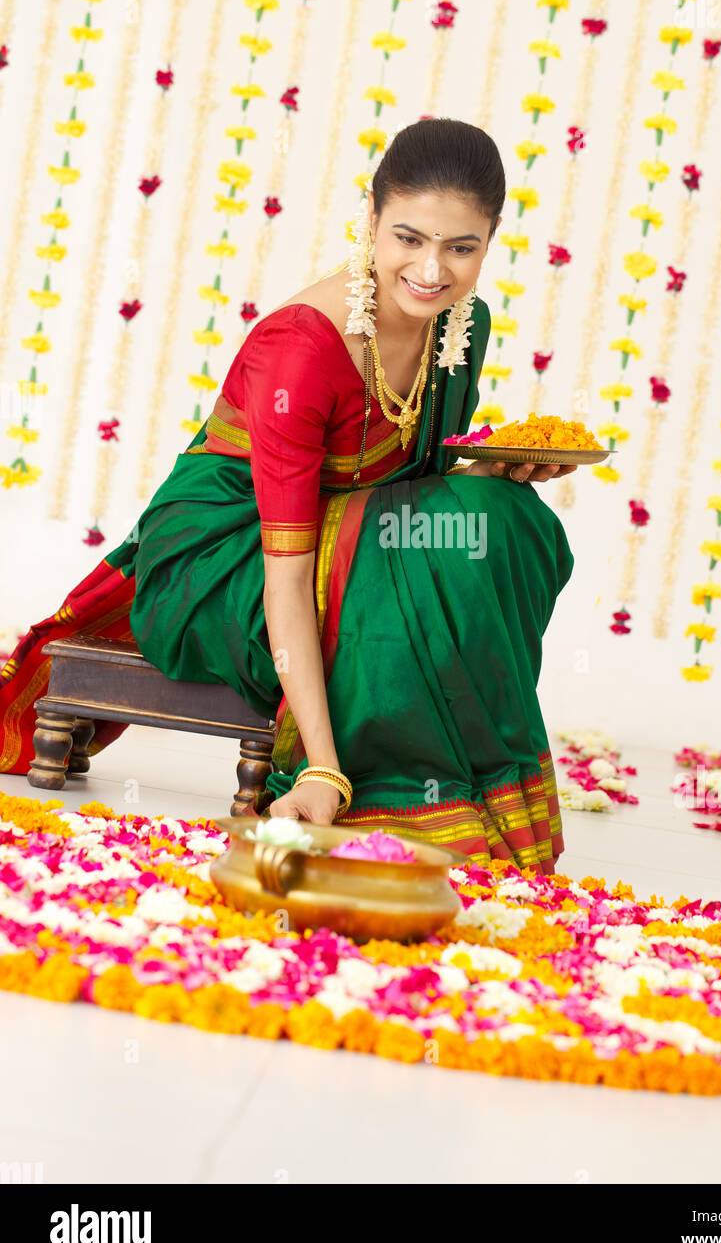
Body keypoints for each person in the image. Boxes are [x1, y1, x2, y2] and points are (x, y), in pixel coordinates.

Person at [0, 119, 576, 872]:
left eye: (460, 248)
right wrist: (322, 768)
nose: (432, 270)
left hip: (343, 536)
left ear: (490, 241)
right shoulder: (304, 348)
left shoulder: (460, 326)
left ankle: (474, 780)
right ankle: (387, 792)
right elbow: (289, 572)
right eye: (408, 238)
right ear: (369, 220)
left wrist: (496, 474)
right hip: (227, 558)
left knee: (510, 521)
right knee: (456, 536)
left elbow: (411, 488)